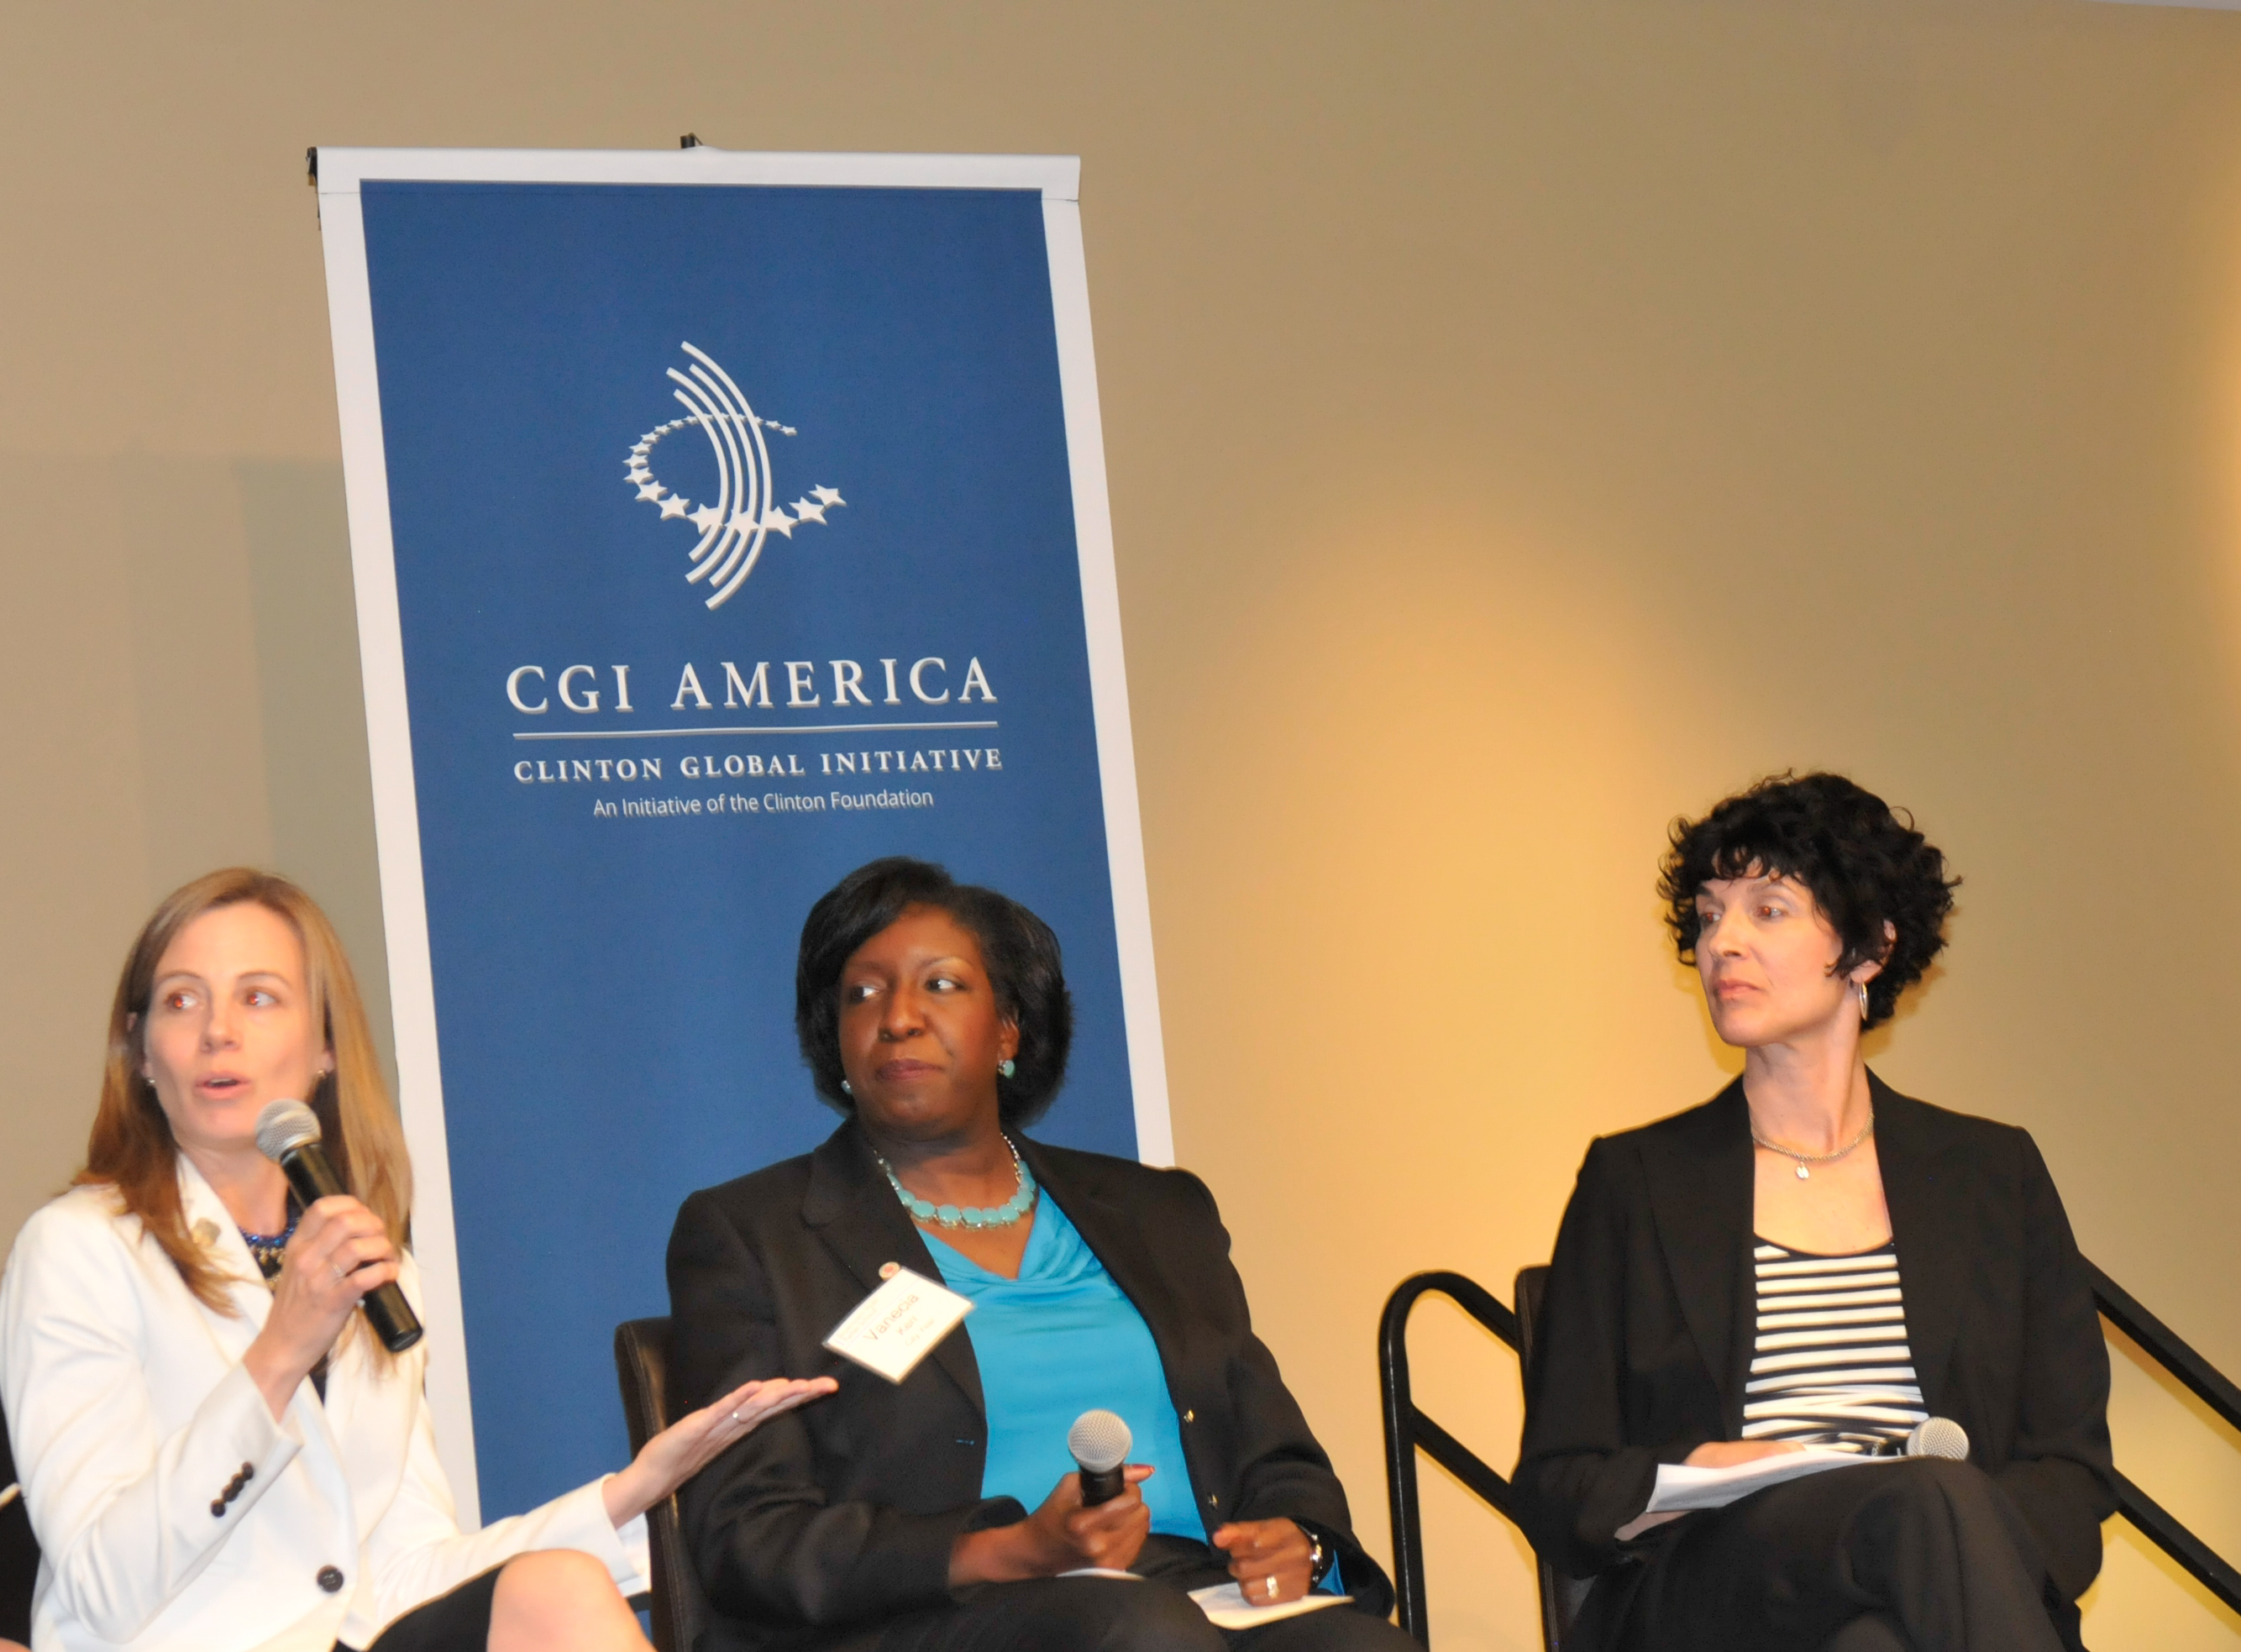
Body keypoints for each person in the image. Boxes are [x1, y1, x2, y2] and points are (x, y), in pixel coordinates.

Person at [0, 868, 835, 1652]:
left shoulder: (371, 1260)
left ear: (325, 1045)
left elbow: (404, 1569)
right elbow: (102, 1585)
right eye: (182, 1001)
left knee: (561, 1587)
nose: (219, 1030)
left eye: (259, 997)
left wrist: (636, 1487)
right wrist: (281, 1351)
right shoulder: (80, 1246)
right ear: (143, 1052)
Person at [666, 857, 1415, 1652]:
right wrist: (1005, 1550)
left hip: (1192, 1590)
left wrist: (1305, 1541)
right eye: (862, 993)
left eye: (942, 985)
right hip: (930, 1614)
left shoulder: (1160, 1214)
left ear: (1010, 1029)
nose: (897, 1017)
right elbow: (748, 1533)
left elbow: (1273, 1446)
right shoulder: (757, 1233)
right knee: (1142, 1634)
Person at [1514, 774, 2116, 1652]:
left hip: (1928, 1584)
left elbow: (2069, 1467)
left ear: (1869, 948)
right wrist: (1691, 1468)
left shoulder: (1992, 1174)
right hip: (1719, 1583)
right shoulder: (1635, 1180)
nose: (1722, 941)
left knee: (1880, 1626)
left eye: (1767, 910)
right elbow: (1556, 1483)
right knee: (1926, 1497)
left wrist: (1950, 1523)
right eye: (1710, 912)